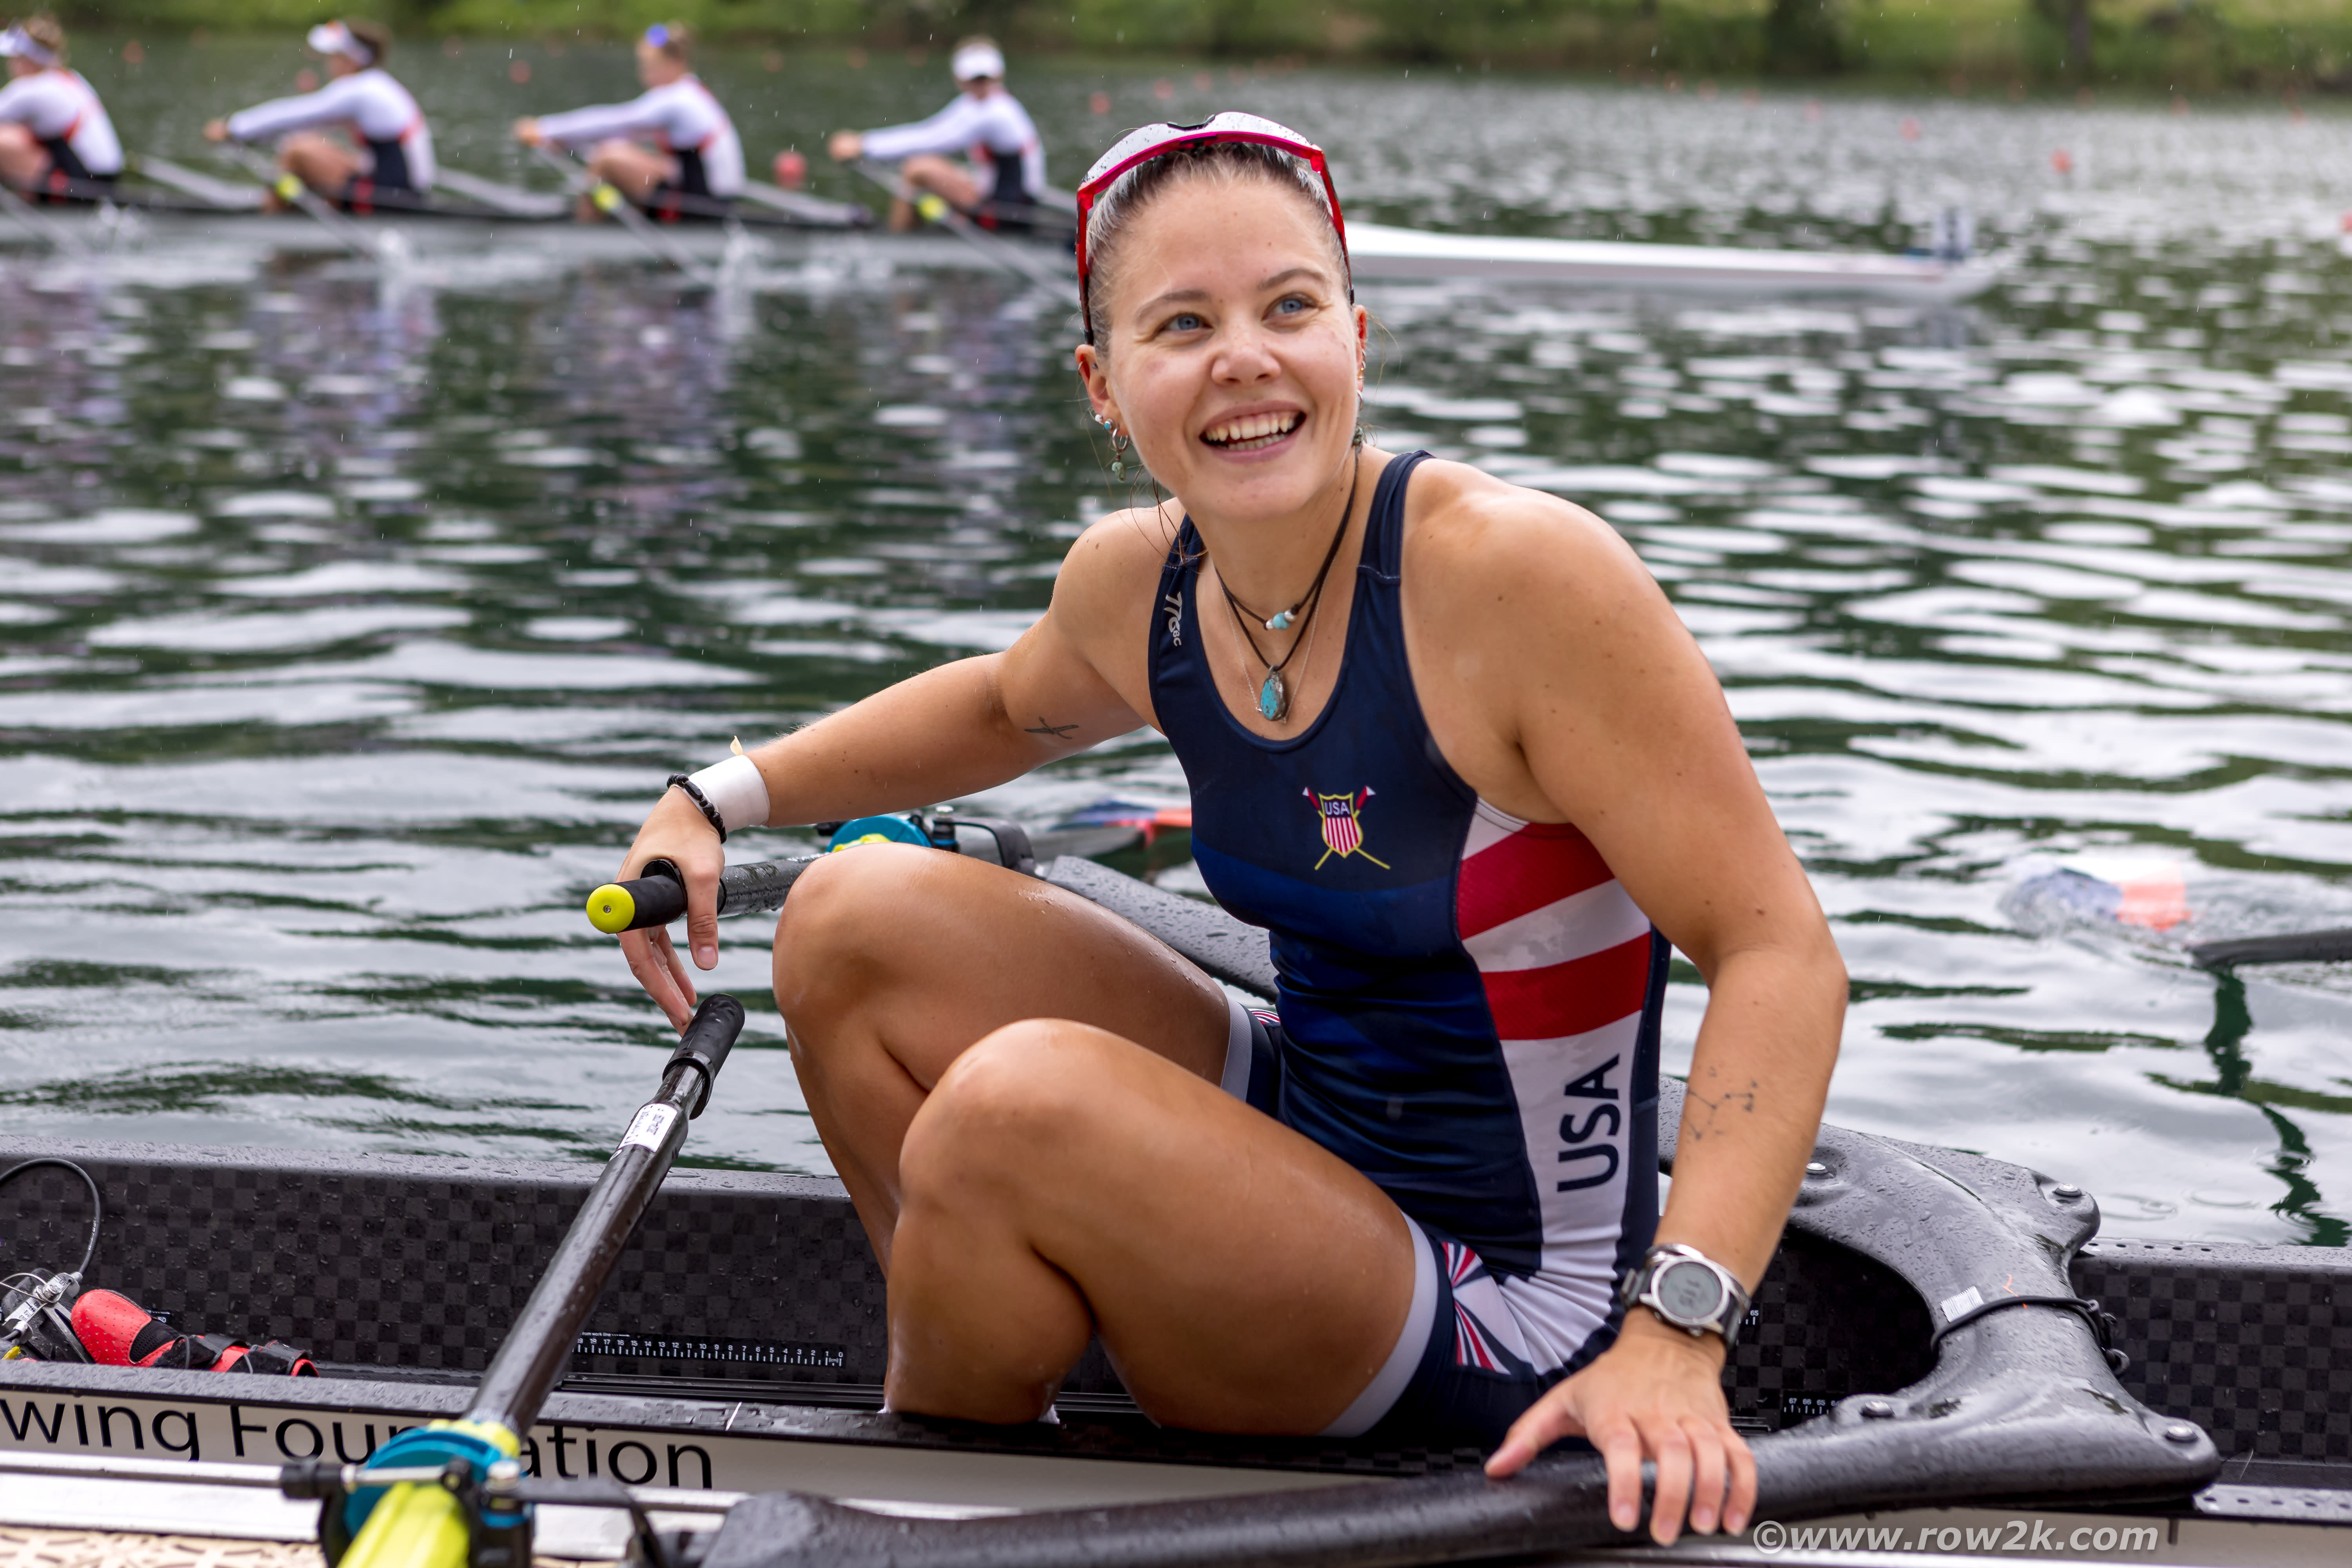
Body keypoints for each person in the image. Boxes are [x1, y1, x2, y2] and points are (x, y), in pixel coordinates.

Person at [611, 113, 1844, 1547]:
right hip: (1305, 1123)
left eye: (1289, 308)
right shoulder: (1139, 585)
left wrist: (1678, 1333)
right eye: (1182, 323)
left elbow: (1778, 953)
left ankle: (921, 1497)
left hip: (1516, 1304)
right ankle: (983, 1409)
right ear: (1101, 382)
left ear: (1356, 340)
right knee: (850, 912)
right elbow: (1001, 708)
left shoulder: (1516, 580)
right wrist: (713, 797)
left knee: (1016, 1101)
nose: (1244, 360)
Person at [514, 24, 742, 218]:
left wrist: (543, 129)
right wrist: (565, 141)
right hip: (711, 198)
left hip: (703, 208)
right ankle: (601, 220)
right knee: (615, 149)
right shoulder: (692, 91)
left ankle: (585, 229)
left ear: (674, 63)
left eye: (650, 66)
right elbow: (622, 134)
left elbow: (613, 122)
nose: (643, 75)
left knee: (608, 159)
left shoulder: (677, 100)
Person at [202, 20, 435, 210]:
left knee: (297, 151)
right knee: (309, 143)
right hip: (402, 188)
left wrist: (232, 127)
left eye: (334, 57)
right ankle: (291, 209)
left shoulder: (360, 90)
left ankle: (271, 216)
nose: (329, 64)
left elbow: (294, 115)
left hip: (394, 197)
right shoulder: (376, 84)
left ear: (350, 60)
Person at [827, 36, 1044, 231]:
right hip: (1000, 197)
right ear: (959, 79)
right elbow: (930, 129)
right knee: (926, 166)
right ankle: (907, 232)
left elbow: (933, 140)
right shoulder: (975, 104)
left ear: (998, 76)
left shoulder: (996, 112)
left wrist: (863, 145)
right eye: (974, 79)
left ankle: (898, 239)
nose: (979, 85)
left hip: (1010, 211)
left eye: (984, 78)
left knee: (918, 169)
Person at [0, 17, 123, 198]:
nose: (9, 64)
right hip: (107, 179)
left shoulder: (30, 88)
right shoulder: (71, 77)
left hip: (83, 185)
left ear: (28, 61)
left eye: (14, 59)